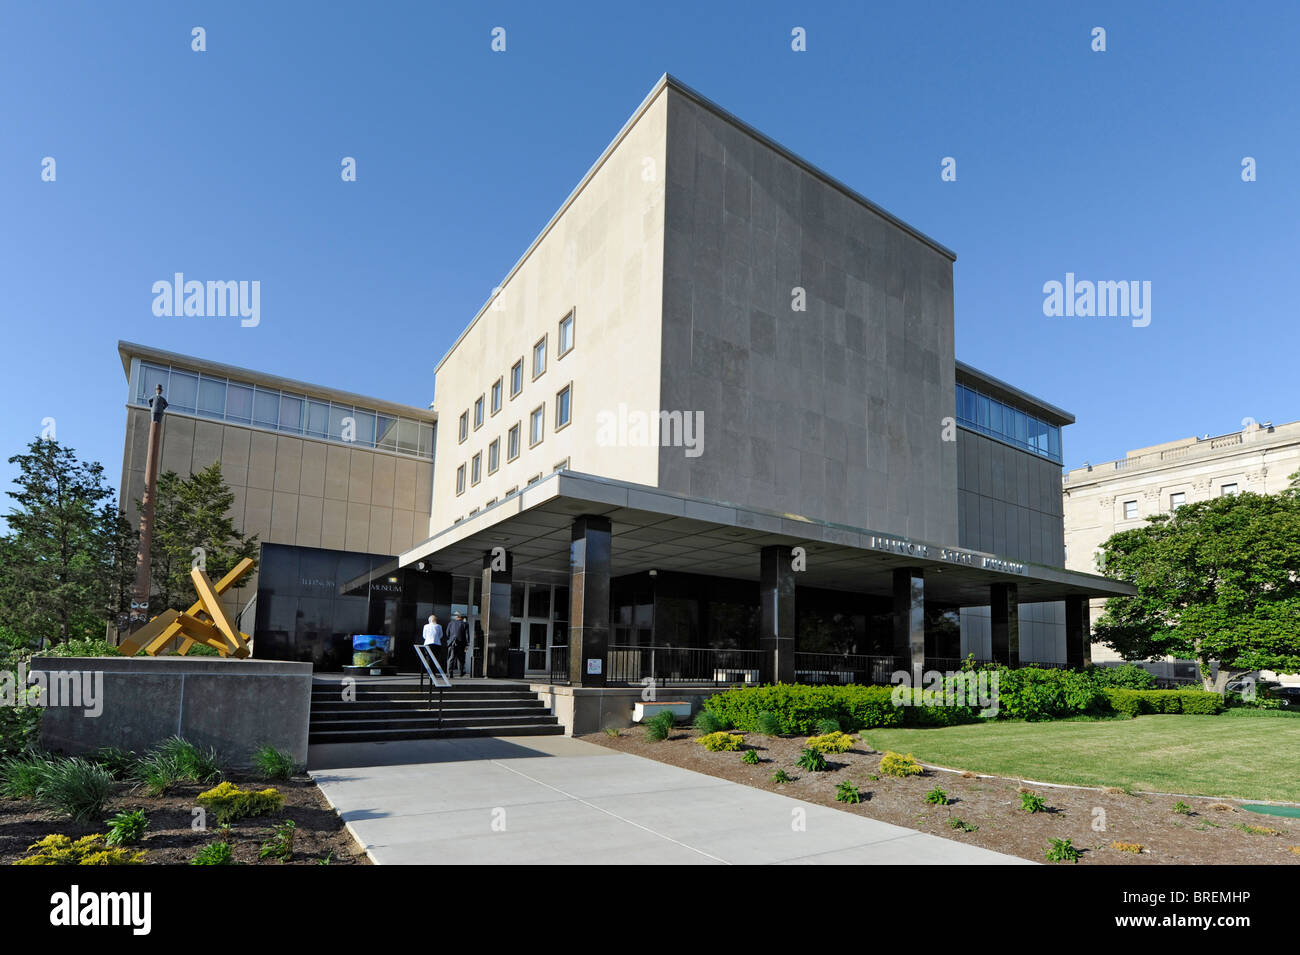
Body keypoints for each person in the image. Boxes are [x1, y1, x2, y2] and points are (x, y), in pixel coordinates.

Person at [445, 612, 469, 678]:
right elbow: (467, 635)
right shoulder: (465, 624)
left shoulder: (451, 623)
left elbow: (447, 633)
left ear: (456, 617)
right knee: (461, 658)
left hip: (452, 643)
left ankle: (450, 673)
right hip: (461, 643)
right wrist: (467, 644)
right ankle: (461, 672)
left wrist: (451, 639)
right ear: (461, 617)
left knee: (451, 658)